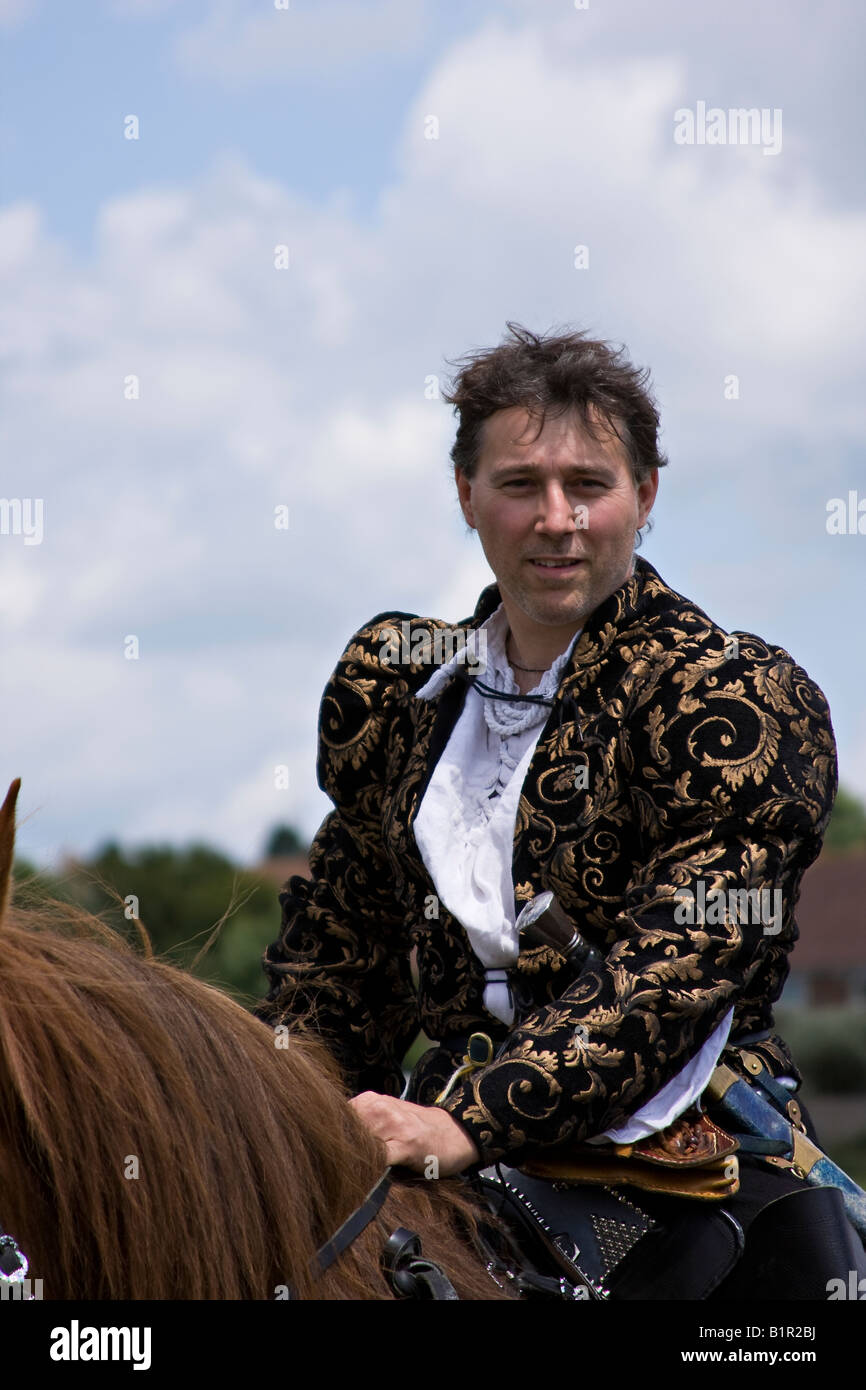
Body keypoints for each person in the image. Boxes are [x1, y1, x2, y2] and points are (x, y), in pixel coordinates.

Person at [255, 323, 863, 1294]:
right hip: (437, 1151)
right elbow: (337, 962)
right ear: (465, 495)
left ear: (644, 495)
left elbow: (677, 963)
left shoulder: (731, 698)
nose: (555, 518)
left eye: (587, 484)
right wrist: (253, 1116)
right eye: (517, 484)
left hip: (683, 1157)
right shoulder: (399, 691)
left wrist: (467, 1123)